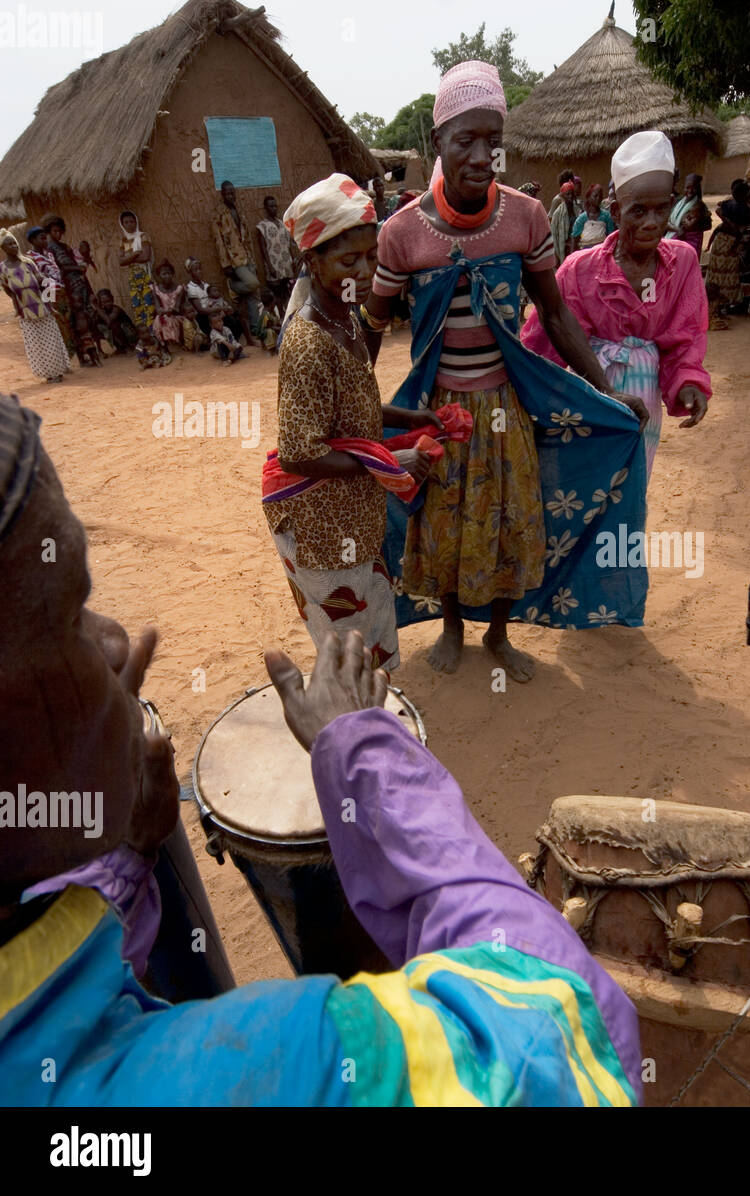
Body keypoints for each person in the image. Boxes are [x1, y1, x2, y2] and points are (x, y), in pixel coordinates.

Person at [0, 396, 641, 1104]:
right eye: (71, 611)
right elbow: (562, 1027)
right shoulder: (282, 1067)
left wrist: (119, 863)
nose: (115, 641)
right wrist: (365, 749)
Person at [361, 61, 650, 684]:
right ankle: (450, 627)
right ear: (436, 141)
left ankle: (496, 635)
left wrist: (608, 393)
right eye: (466, 139)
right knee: (438, 525)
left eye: (494, 140)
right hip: (436, 413)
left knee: (511, 525)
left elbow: (555, 311)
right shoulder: (401, 235)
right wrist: (343, 403)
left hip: (505, 410)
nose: (482, 155)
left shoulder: (526, 218)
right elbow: (372, 327)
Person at [268, 174, 441, 671]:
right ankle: (358, 728)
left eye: (372, 257)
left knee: (373, 629)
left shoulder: (346, 318)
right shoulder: (308, 344)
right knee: (348, 650)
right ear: (312, 261)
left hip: (355, 519)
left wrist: (407, 416)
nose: (365, 273)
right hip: (323, 528)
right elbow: (300, 452)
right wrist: (386, 463)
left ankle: (377, 712)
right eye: (349, 261)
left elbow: (352, 404)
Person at [522, 129, 710, 477]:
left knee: (631, 489)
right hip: (588, 400)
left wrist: (687, 383)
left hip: (645, 408)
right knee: (582, 490)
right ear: (616, 209)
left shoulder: (682, 262)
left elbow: (684, 338)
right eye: (638, 211)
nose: (652, 223)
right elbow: (541, 346)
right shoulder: (580, 270)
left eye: (661, 209)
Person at [0, 232, 69, 382]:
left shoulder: (28, 262)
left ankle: (57, 372)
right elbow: (8, 290)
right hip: (25, 312)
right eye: (9, 244)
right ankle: (48, 374)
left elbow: (44, 282)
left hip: (42, 307)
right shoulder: (2, 269)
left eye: (14, 242)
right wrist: (17, 306)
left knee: (50, 342)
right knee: (37, 345)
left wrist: (50, 303)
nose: (14, 246)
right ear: (3, 248)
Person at [212, 179, 261, 335]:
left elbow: (246, 237)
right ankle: (233, 286)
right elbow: (218, 240)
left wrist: (252, 257)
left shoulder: (239, 210)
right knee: (253, 284)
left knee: (253, 295)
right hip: (234, 259)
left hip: (247, 256)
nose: (231, 195)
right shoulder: (218, 214)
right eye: (227, 193)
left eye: (233, 192)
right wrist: (225, 264)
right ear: (222, 194)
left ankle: (255, 328)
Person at [704, 179, 750, 329]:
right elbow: (744, 228)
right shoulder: (746, 208)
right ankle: (718, 310)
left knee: (716, 276)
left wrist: (726, 221)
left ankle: (716, 309)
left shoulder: (727, 205)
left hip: (721, 243)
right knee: (728, 276)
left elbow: (718, 210)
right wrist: (735, 229)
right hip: (733, 243)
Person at [41, 216, 94, 347]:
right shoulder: (49, 249)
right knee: (73, 317)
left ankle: (91, 347)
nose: (58, 234)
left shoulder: (65, 246)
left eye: (60, 231)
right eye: (54, 231)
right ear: (48, 231)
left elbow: (77, 264)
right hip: (65, 286)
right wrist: (76, 268)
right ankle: (82, 350)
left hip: (78, 283)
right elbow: (58, 269)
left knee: (84, 314)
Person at [256, 194, 297, 314]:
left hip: (285, 264)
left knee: (286, 292)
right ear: (265, 208)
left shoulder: (282, 224)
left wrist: (292, 260)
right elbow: (263, 248)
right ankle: (280, 315)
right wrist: (269, 266)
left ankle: (287, 313)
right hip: (274, 265)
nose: (274, 208)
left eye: (275, 206)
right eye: (270, 206)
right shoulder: (262, 226)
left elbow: (288, 244)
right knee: (276, 293)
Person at [150, 261, 203, 353]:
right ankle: (165, 345)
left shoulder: (179, 288)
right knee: (160, 320)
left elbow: (177, 308)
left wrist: (171, 311)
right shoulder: (156, 289)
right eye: (164, 274)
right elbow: (158, 308)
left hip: (176, 316)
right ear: (159, 275)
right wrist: (164, 312)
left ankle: (174, 345)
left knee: (171, 320)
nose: (167, 276)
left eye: (169, 273)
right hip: (163, 316)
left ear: (173, 274)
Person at [116, 211, 155, 331]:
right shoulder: (123, 240)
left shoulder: (143, 236)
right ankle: (145, 335)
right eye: (126, 222)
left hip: (145, 275)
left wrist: (128, 258)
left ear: (136, 222)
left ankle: (154, 334)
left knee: (149, 303)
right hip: (133, 278)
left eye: (131, 221)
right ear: (122, 224)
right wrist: (134, 254)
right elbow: (121, 261)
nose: (129, 224)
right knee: (137, 304)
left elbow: (146, 257)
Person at [94, 289, 140, 354]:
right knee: (98, 328)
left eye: (108, 301)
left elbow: (109, 321)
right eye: (104, 302)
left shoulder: (116, 309)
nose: (107, 304)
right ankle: (119, 347)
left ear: (112, 299)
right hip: (119, 333)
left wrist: (97, 308)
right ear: (100, 303)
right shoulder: (101, 312)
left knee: (114, 326)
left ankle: (128, 347)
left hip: (130, 333)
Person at [572, 183, 616, 249]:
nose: (598, 198)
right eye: (595, 196)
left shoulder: (606, 216)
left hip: (601, 250)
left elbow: (611, 236)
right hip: (586, 251)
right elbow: (575, 238)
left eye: (600, 196)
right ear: (589, 197)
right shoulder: (582, 218)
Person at [549, 176, 578, 265]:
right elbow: (554, 234)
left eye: (572, 194)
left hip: (575, 244)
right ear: (563, 196)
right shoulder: (558, 213)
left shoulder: (576, 209)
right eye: (567, 194)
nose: (570, 196)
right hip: (563, 246)